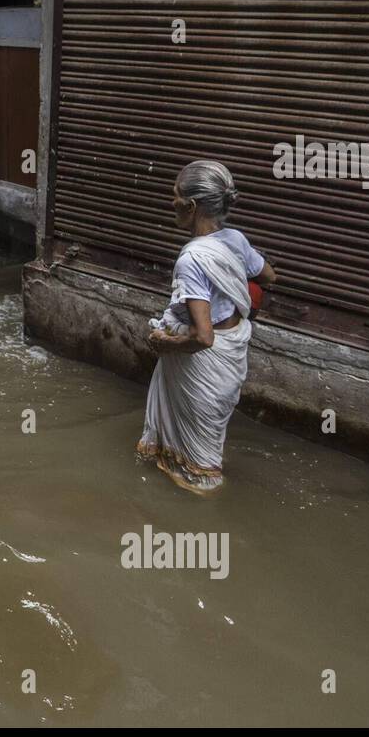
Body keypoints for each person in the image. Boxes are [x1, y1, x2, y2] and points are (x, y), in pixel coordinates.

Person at [137, 160, 277, 493]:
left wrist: (162, 341)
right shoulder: (236, 240)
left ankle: (197, 510)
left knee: (201, 473)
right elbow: (270, 276)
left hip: (206, 363)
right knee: (203, 449)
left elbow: (203, 337)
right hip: (230, 356)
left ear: (192, 206)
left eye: (175, 196)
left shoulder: (192, 260)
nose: (171, 202)